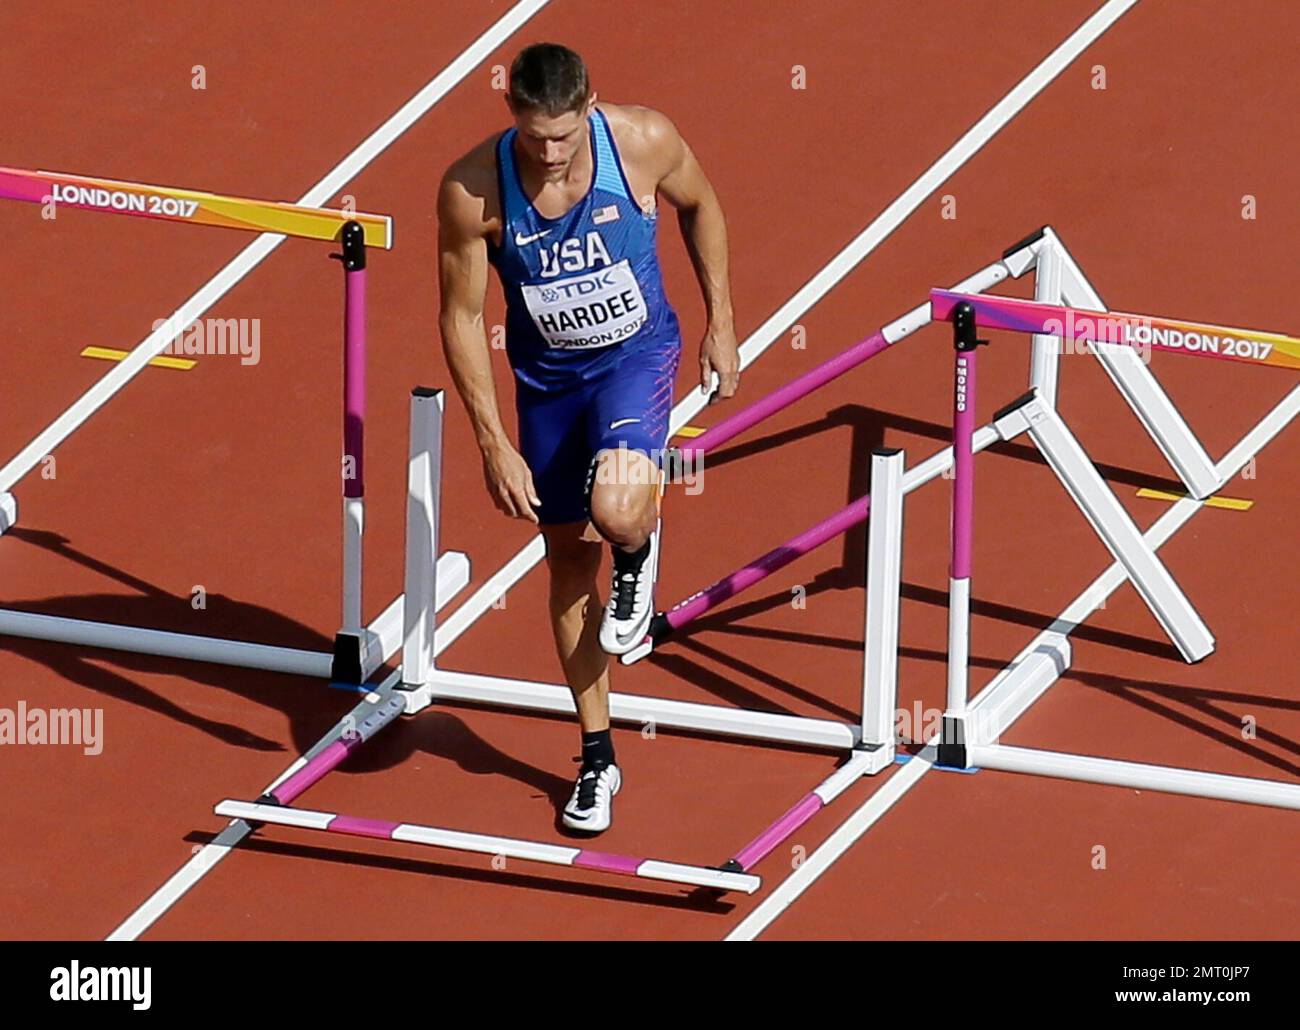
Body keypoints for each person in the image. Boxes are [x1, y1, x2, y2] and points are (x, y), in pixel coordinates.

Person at [437, 42, 738, 833]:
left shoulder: (639, 141)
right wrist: (492, 440)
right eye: (536, 138)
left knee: (618, 511)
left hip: (637, 357)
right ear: (513, 117)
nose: (552, 152)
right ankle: (598, 754)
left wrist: (723, 323)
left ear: (592, 107)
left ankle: (638, 550)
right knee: (568, 562)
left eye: (566, 136)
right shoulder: (474, 190)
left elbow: (702, 205)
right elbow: (462, 316)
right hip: (547, 386)